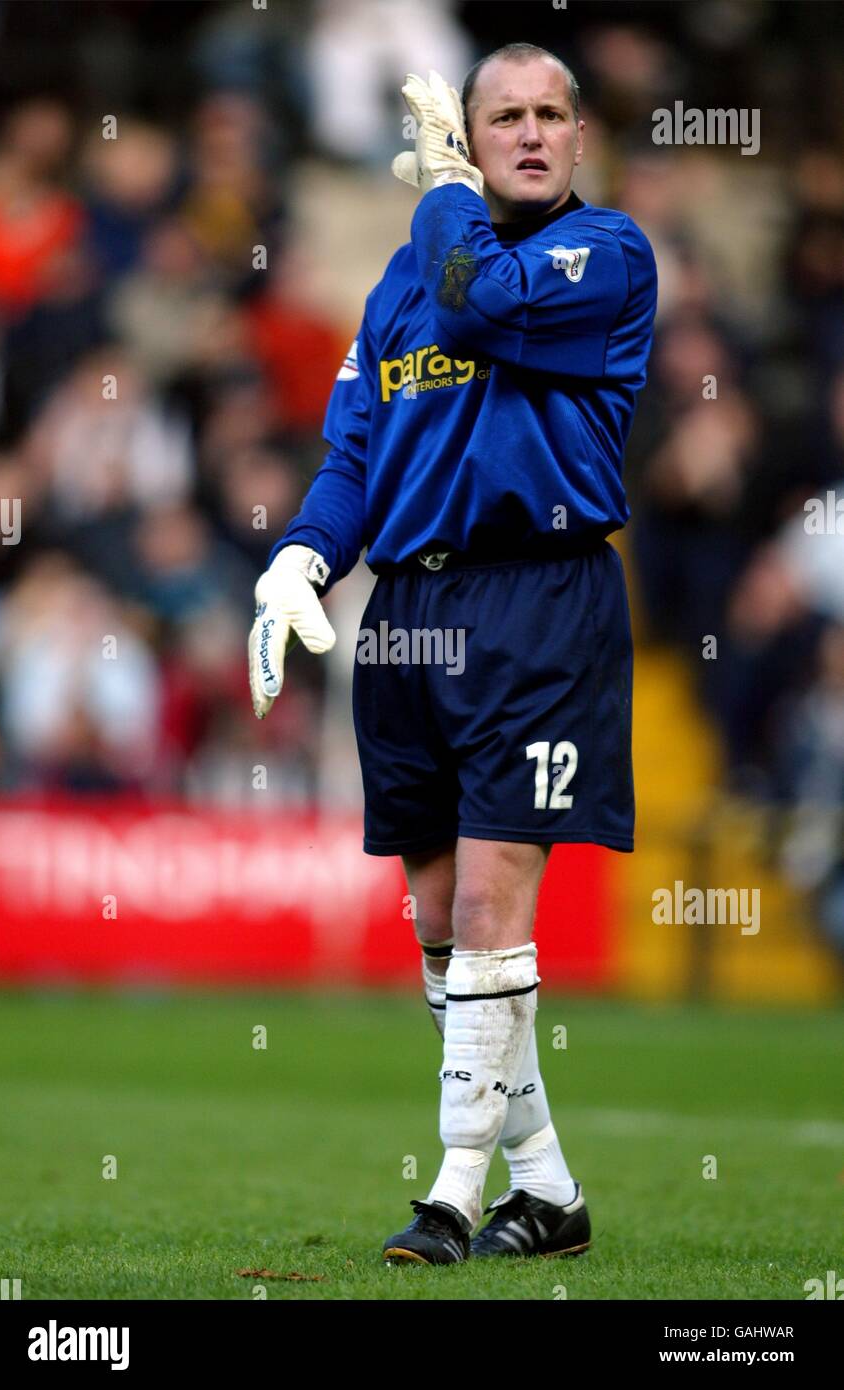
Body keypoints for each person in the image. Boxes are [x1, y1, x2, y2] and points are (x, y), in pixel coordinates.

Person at [248, 42, 657, 1265]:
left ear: (577, 138)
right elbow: (353, 454)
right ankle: (549, 1189)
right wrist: (301, 558)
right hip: (409, 616)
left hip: (537, 599)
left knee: (487, 901)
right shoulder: (395, 285)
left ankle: (448, 1192)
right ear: (472, 136)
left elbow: (479, 299)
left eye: (548, 115)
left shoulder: (605, 254)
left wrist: (439, 198)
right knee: (436, 916)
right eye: (503, 117)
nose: (529, 133)